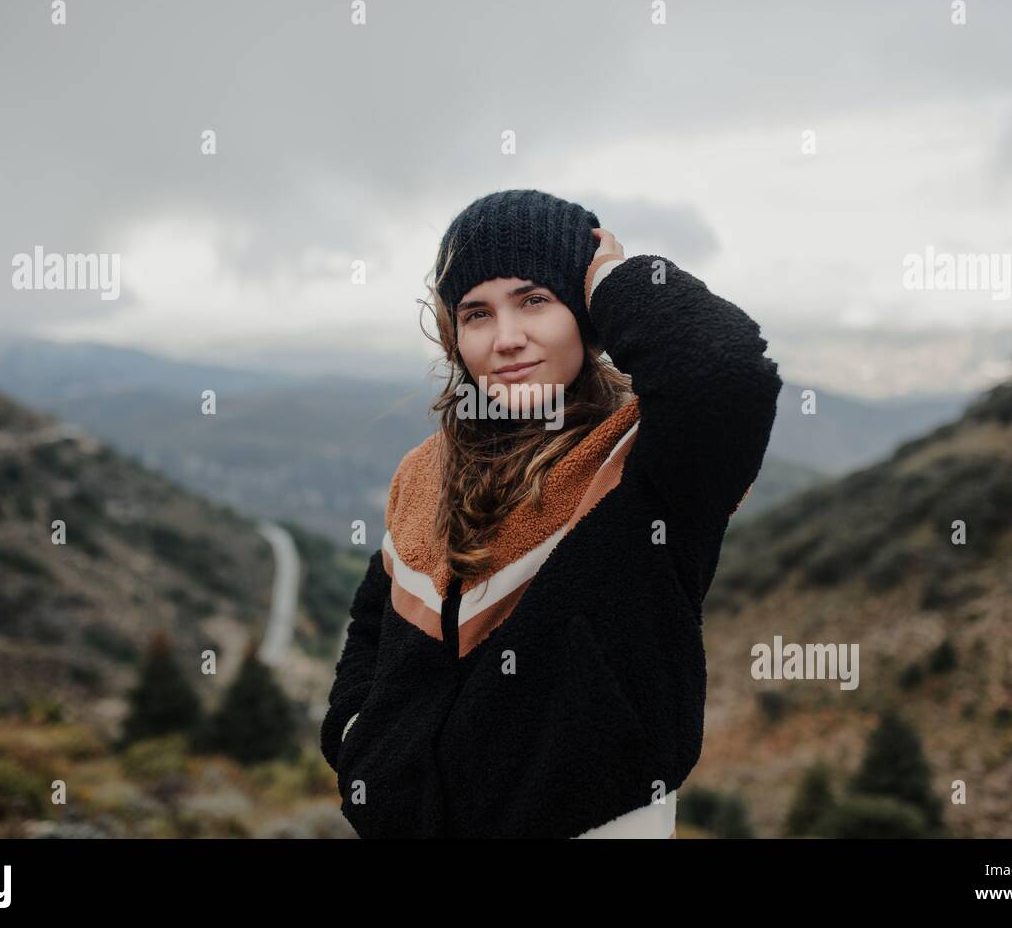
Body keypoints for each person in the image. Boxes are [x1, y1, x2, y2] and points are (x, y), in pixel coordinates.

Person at [320, 188, 782, 838]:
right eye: (477, 313)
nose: (507, 339)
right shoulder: (424, 470)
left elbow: (728, 376)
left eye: (536, 300)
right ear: (456, 336)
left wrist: (619, 282)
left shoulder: (644, 461)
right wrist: (354, 732)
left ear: (585, 314)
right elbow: (374, 621)